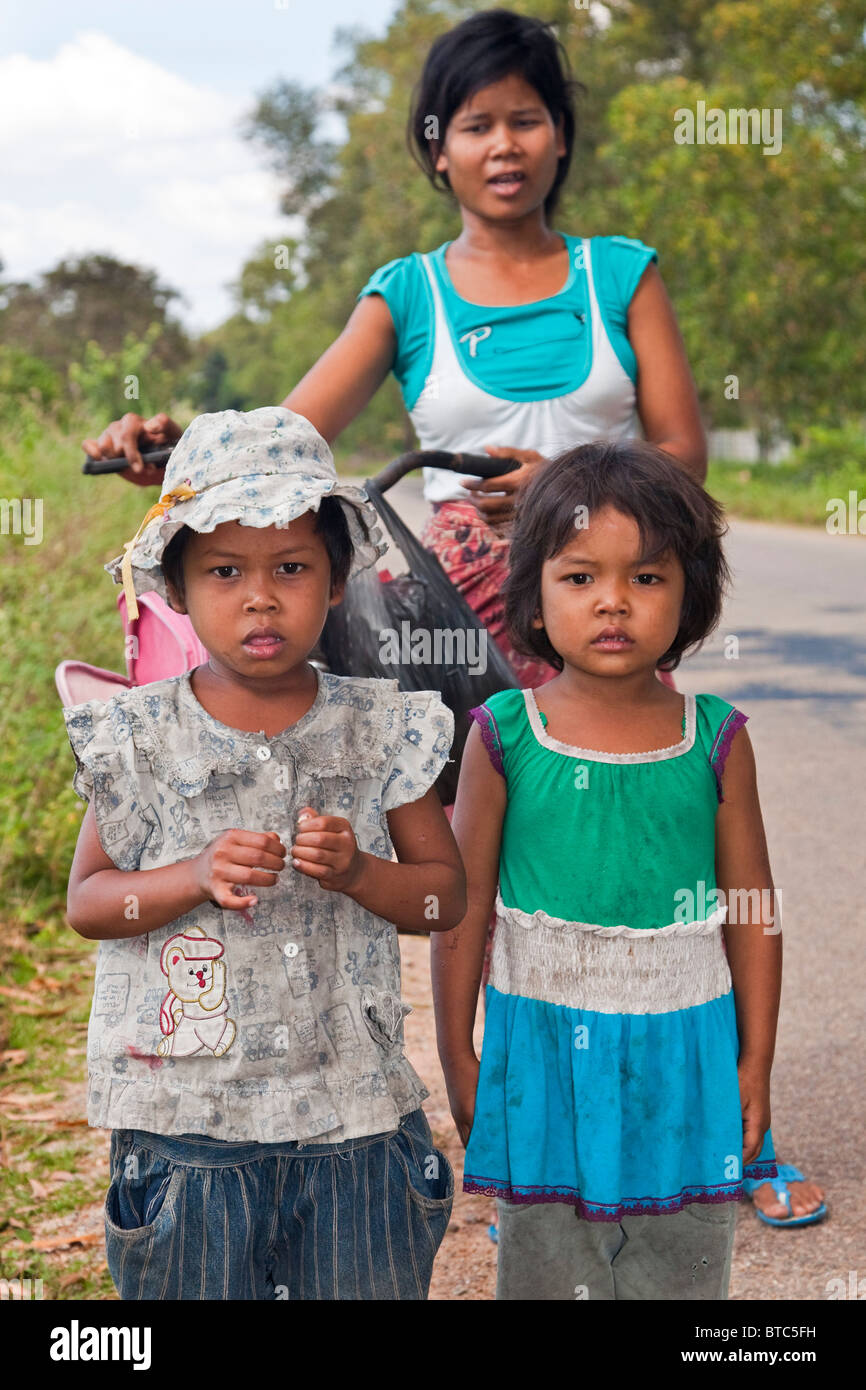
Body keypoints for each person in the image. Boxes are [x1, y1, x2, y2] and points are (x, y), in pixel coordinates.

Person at [81, 6, 822, 1227]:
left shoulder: (617, 275)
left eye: (526, 118)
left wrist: (574, 483)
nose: (503, 144)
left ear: (558, 137)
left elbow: (682, 449)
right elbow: (291, 437)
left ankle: (727, 1114)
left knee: (657, 858)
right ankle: (496, 1100)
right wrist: (168, 446)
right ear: (436, 147)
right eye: (474, 123)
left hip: (597, 614)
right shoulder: (406, 292)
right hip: (461, 637)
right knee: (481, 878)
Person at [64, 406, 466, 1301]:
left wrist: (363, 873)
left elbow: (446, 899)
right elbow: (90, 902)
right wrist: (191, 875)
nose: (259, 596)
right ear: (176, 586)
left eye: (290, 567)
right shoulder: (136, 738)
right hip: (187, 1131)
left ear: (333, 581)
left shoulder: (383, 727)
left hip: (354, 1125)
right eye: (224, 571)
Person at [432, 440, 783, 1300]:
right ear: (535, 596)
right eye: (581, 577)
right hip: (544, 1055)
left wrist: (756, 1061)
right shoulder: (503, 735)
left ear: (689, 594)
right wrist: (456, 1052)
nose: (614, 602)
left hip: (686, 1057)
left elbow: (752, 912)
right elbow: (463, 910)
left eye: (648, 578)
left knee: (685, 1276)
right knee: (549, 1275)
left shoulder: (716, 738)